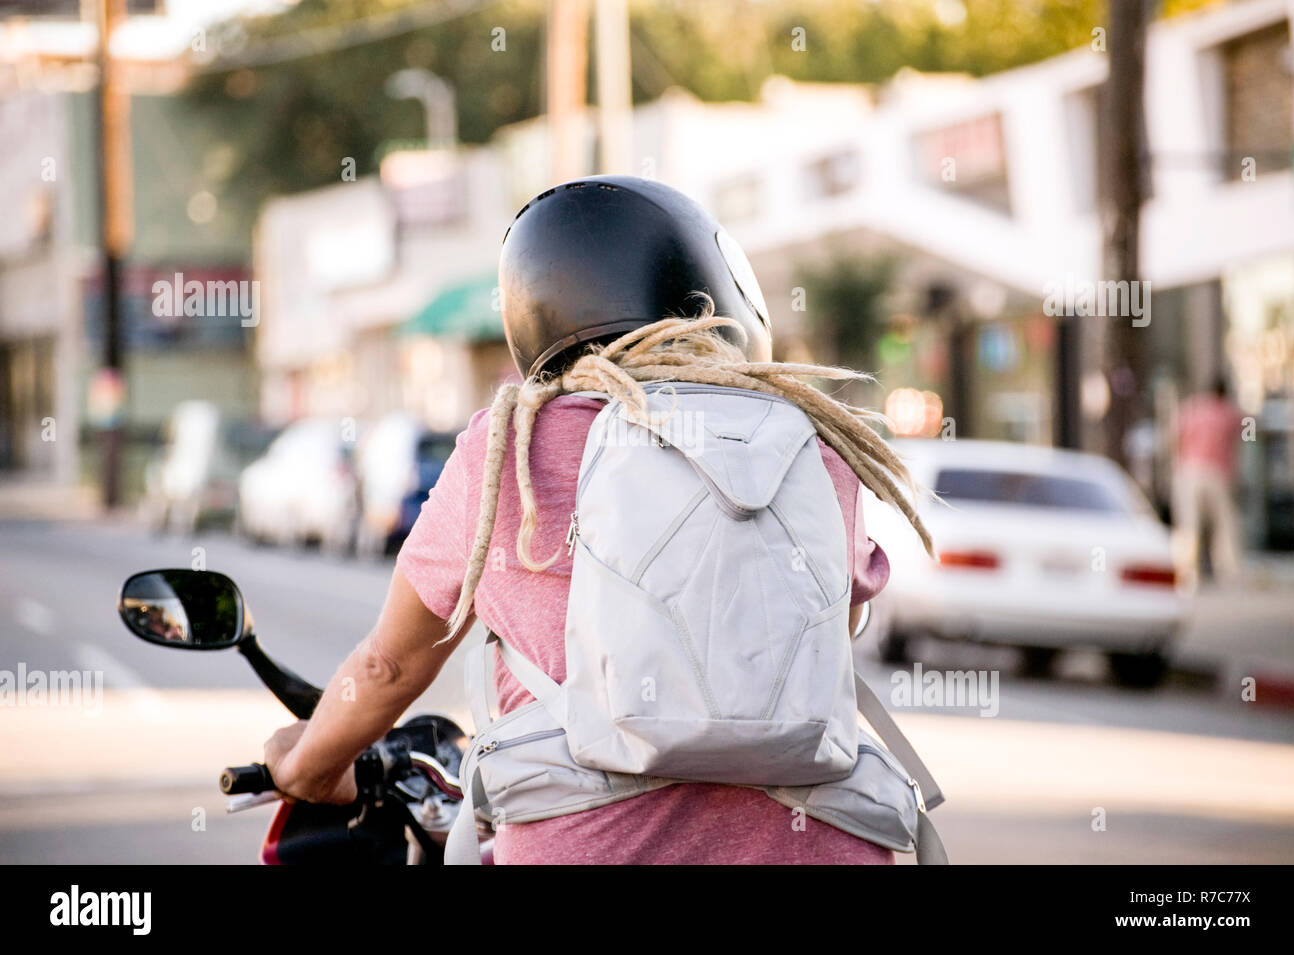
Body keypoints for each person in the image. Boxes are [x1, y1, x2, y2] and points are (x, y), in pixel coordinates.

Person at [261, 177, 932, 864]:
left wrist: (310, 765)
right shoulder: (814, 447)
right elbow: (836, 627)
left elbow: (388, 663)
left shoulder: (512, 448)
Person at [1172, 375, 1242, 587]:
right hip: (1216, 472)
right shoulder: (1228, 412)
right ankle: (1228, 571)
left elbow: (1176, 437)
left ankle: (1186, 573)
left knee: (1189, 524)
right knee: (1224, 523)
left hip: (1188, 470)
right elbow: (1249, 427)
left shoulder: (1191, 407)